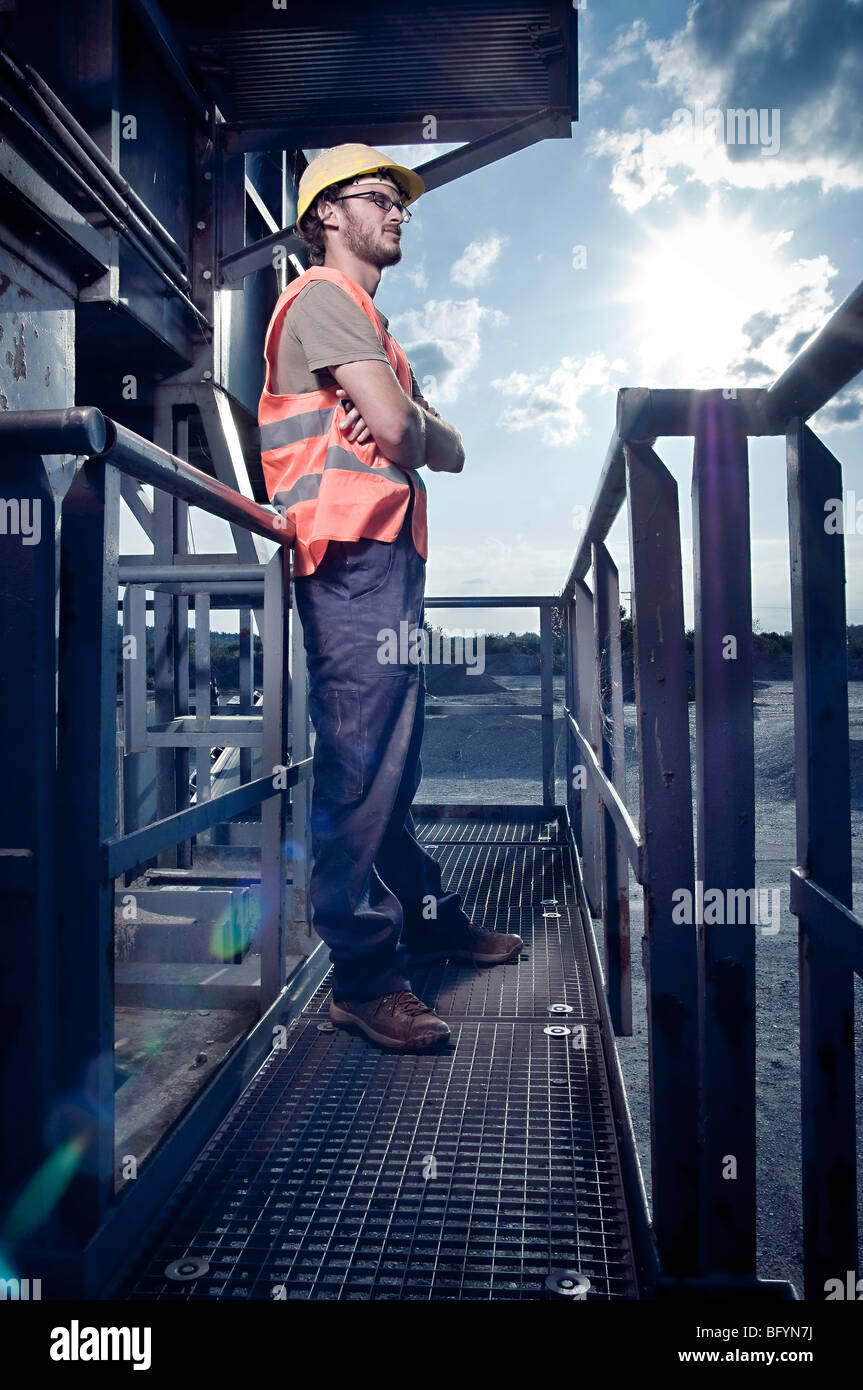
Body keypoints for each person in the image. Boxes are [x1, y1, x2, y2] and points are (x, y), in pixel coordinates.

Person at [258, 144, 522, 1052]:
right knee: (361, 769)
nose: (399, 211)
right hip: (347, 560)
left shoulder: (370, 326)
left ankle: (429, 913)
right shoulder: (323, 299)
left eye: (401, 201)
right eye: (381, 197)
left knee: (392, 770)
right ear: (327, 214)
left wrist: (424, 431)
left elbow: (428, 434)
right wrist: (421, 432)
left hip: (384, 562)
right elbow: (411, 433)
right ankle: (364, 981)